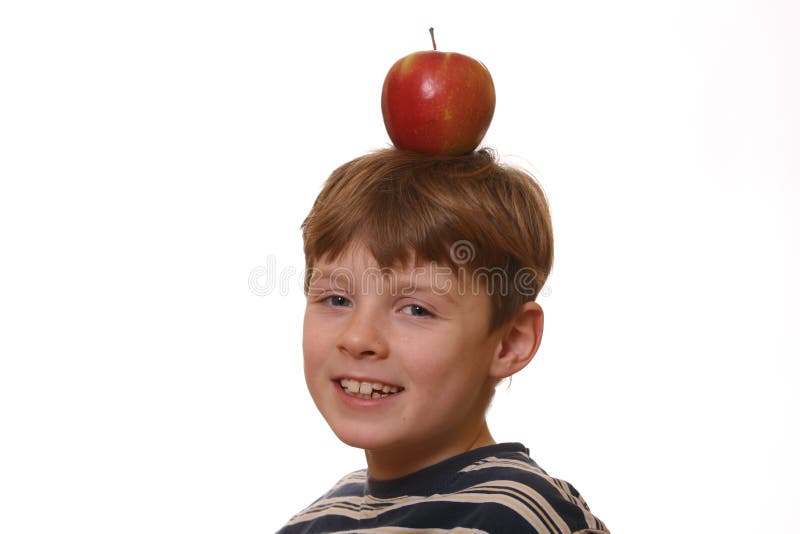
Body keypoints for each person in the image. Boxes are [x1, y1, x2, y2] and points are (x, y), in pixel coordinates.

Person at [276, 148, 609, 533]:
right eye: (337, 299)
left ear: (509, 342)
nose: (357, 338)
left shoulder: (513, 516)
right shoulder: (313, 524)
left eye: (416, 310)